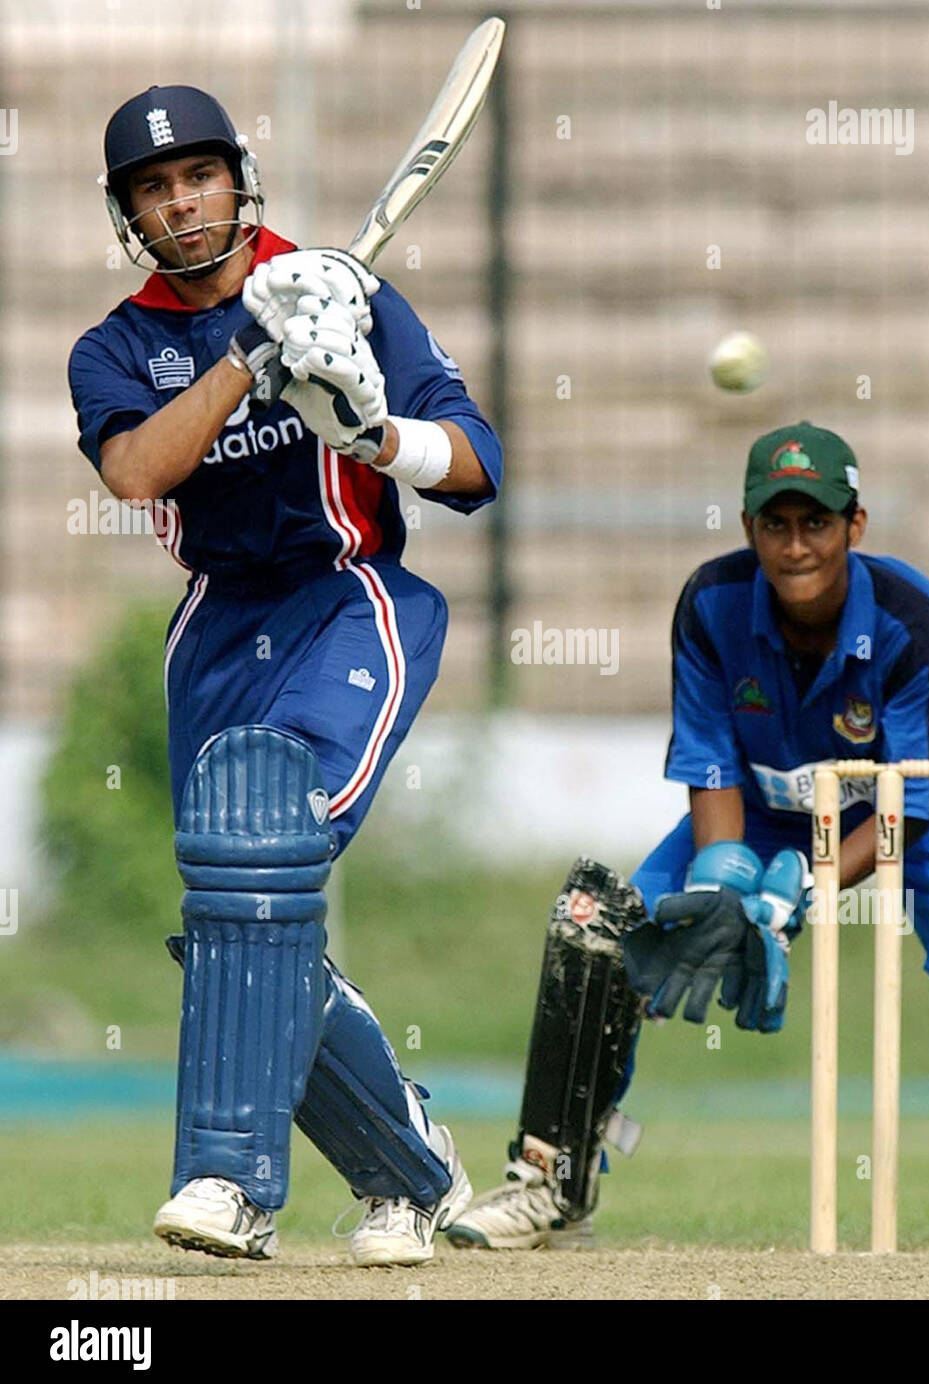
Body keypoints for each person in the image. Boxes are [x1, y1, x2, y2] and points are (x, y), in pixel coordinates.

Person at [446, 421, 929, 1255]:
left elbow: (903, 797)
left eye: (816, 524)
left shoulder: (910, 615)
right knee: (593, 924)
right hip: (759, 799)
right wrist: (724, 883)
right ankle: (549, 1180)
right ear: (750, 526)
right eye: (776, 525)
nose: (796, 547)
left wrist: (802, 886)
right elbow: (710, 762)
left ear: (853, 527)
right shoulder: (712, 604)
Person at [67, 84, 502, 1267]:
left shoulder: (345, 292)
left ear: (237, 177)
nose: (182, 202)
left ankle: (230, 1181)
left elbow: (474, 466)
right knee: (236, 920)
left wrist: (369, 432)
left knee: (267, 850)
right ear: (129, 216)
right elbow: (140, 474)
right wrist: (255, 353)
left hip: (352, 595)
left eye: (198, 176)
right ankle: (412, 1171)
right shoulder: (116, 347)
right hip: (217, 626)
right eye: (154, 189)